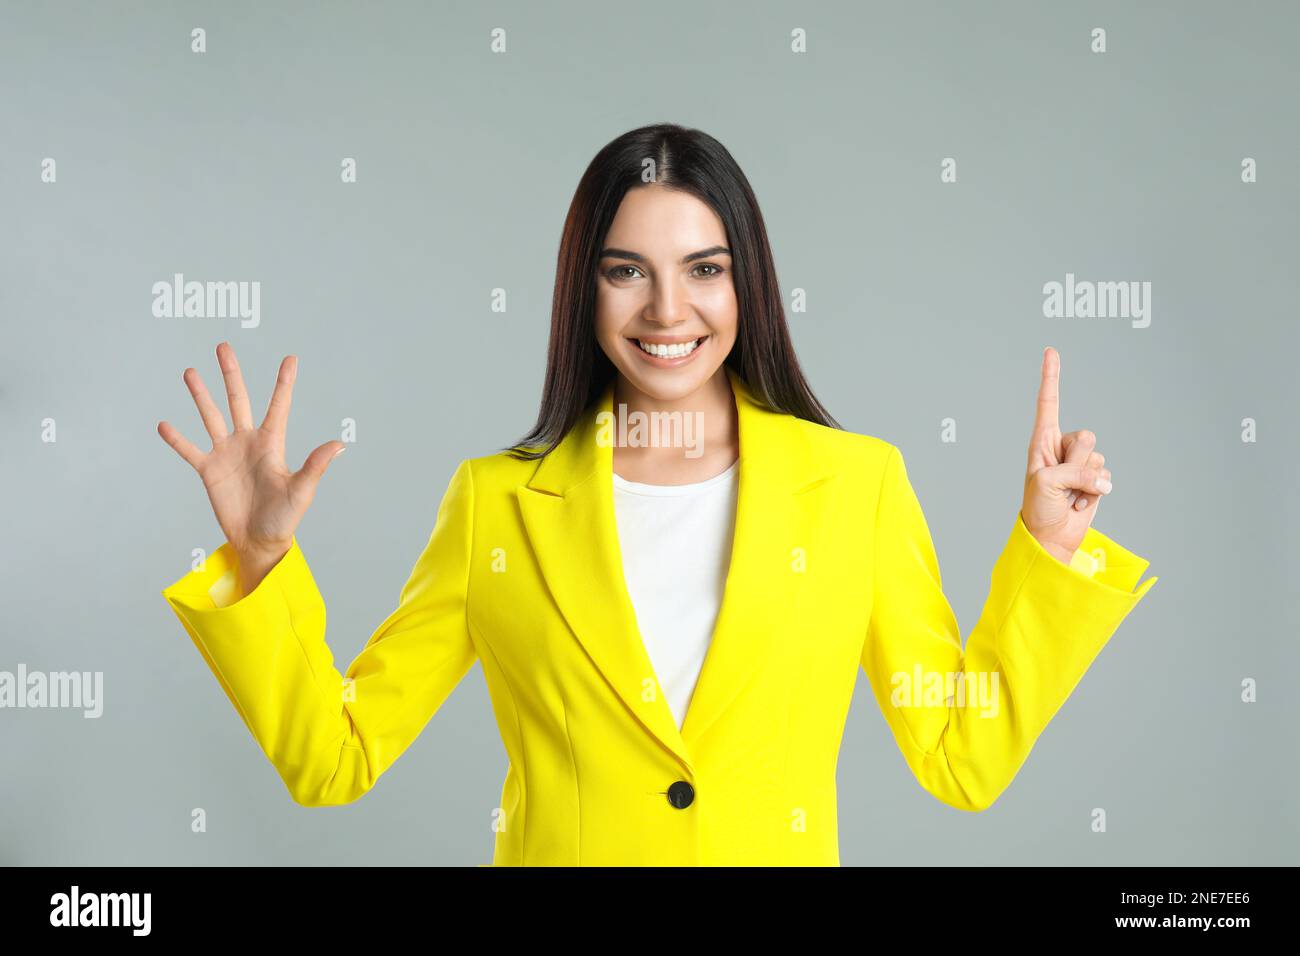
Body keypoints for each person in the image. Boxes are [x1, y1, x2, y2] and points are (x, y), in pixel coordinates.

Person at [158, 123, 1158, 866]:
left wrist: (1046, 554)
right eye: (625, 270)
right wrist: (260, 559)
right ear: (582, 292)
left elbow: (960, 756)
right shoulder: (495, 504)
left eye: (704, 269)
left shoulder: (855, 486)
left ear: (746, 285)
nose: (668, 309)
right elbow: (333, 759)